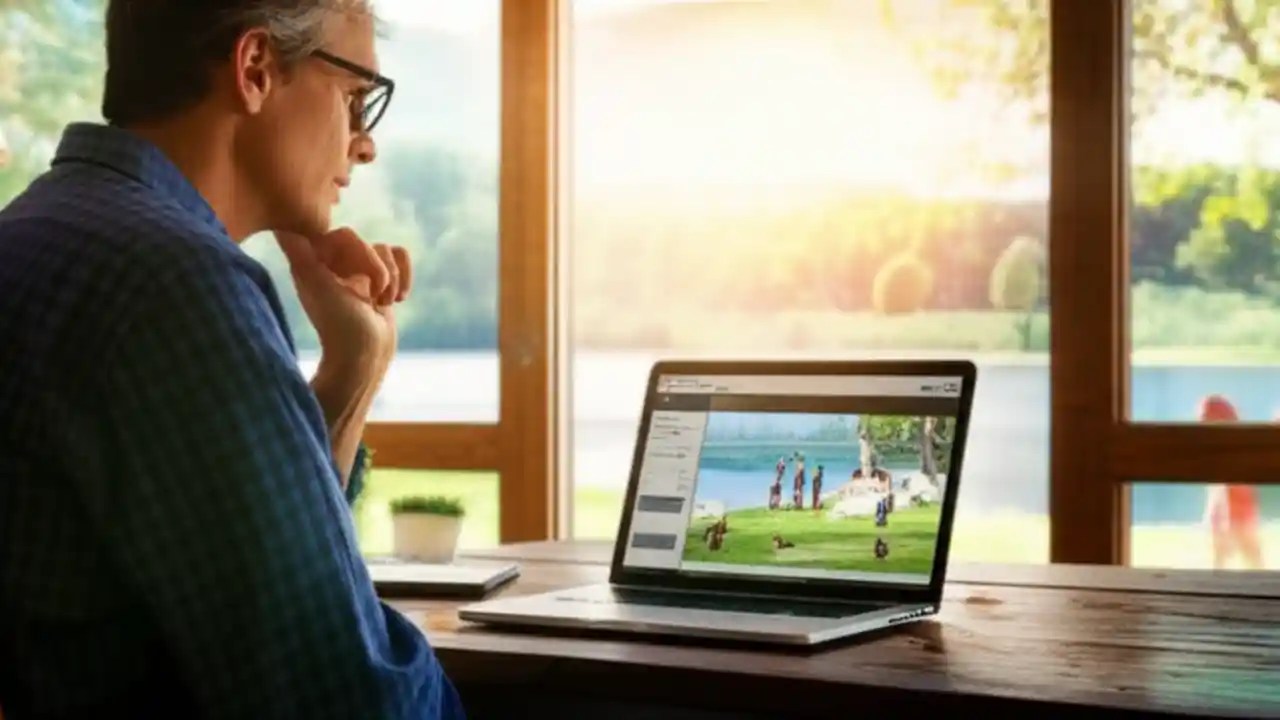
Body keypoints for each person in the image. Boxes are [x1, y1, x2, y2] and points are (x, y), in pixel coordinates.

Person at [0, 1, 465, 718]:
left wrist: (351, 369)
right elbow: (343, 695)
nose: (364, 145)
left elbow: (254, 582)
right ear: (254, 69)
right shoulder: (176, 286)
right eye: (354, 98)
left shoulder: (36, 233)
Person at [1198, 396, 1264, 570]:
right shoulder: (1222, 450)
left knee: (1250, 561)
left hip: (1237, 514)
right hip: (1230, 514)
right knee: (1227, 562)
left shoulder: (1235, 450)